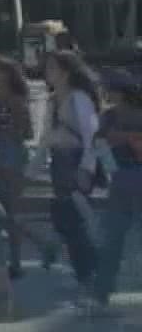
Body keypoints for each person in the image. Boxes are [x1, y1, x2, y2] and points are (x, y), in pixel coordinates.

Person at [43, 50, 102, 302]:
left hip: (75, 163)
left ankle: (90, 278)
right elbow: (45, 139)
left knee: (74, 223)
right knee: (67, 222)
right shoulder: (52, 100)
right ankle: (87, 276)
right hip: (59, 164)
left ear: (65, 71)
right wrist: (32, 171)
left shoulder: (79, 99)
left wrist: (86, 169)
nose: (47, 72)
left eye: (51, 67)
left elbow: (93, 137)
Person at [0, 59, 49, 278]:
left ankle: (17, 262)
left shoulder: (16, 100)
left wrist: (4, 132)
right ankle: (40, 245)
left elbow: (26, 132)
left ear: (8, 75)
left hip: (12, 154)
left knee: (11, 211)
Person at [90, 71, 142, 315]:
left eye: (109, 89)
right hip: (130, 179)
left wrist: (110, 173)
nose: (106, 93)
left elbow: (99, 146)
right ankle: (101, 289)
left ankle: (102, 291)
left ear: (119, 92)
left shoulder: (109, 117)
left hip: (122, 181)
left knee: (112, 239)